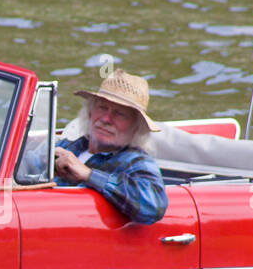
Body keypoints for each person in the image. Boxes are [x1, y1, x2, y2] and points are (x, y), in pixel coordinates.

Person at [52, 70, 168, 224]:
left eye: (119, 114)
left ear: (136, 127)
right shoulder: (69, 146)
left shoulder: (136, 162)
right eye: (102, 108)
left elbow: (154, 206)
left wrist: (88, 175)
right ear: (90, 112)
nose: (106, 119)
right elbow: (22, 168)